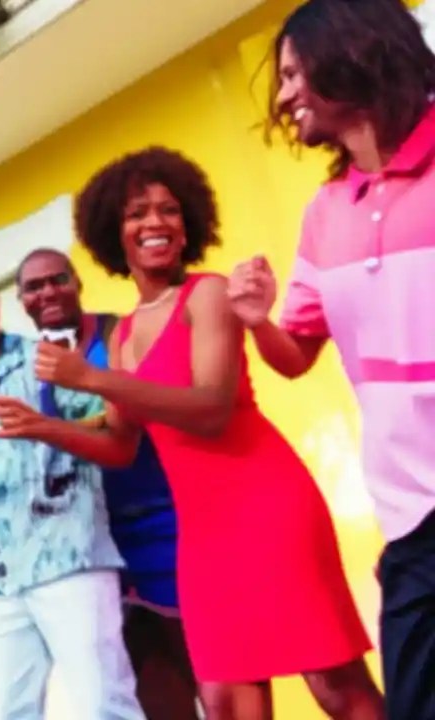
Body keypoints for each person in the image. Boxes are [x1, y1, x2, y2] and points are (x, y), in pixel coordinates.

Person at [0, 146, 383, 719]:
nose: (155, 223)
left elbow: (210, 408)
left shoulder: (209, 294)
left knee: (332, 683)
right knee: (227, 699)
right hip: (200, 532)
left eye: (169, 210)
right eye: (136, 214)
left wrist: (94, 379)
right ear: (113, 234)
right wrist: (45, 428)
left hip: (267, 505)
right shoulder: (123, 334)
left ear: (189, 223)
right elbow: (123, 446)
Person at [229, 1, 435, 716]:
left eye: (292, 73)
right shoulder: (326, 211)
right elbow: (295, 356)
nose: (283, 95)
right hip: (410, 518)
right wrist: (258, 323)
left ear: (350, 52)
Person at [0, 260, 145, 720]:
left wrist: (45, 427)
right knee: (3, 713)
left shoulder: (46, 361)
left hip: (71, 560)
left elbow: (120, 442)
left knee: (105, 707)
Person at [14, 248, 198, 720]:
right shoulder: (27, 369)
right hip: (96, 549)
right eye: (34, 287)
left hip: (164, 522)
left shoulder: (120, 334)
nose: (47, 292)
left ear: (78, 282)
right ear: (20, 300)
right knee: (149, 689)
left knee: (208, 674)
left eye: (58, 279)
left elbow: (140, 416)